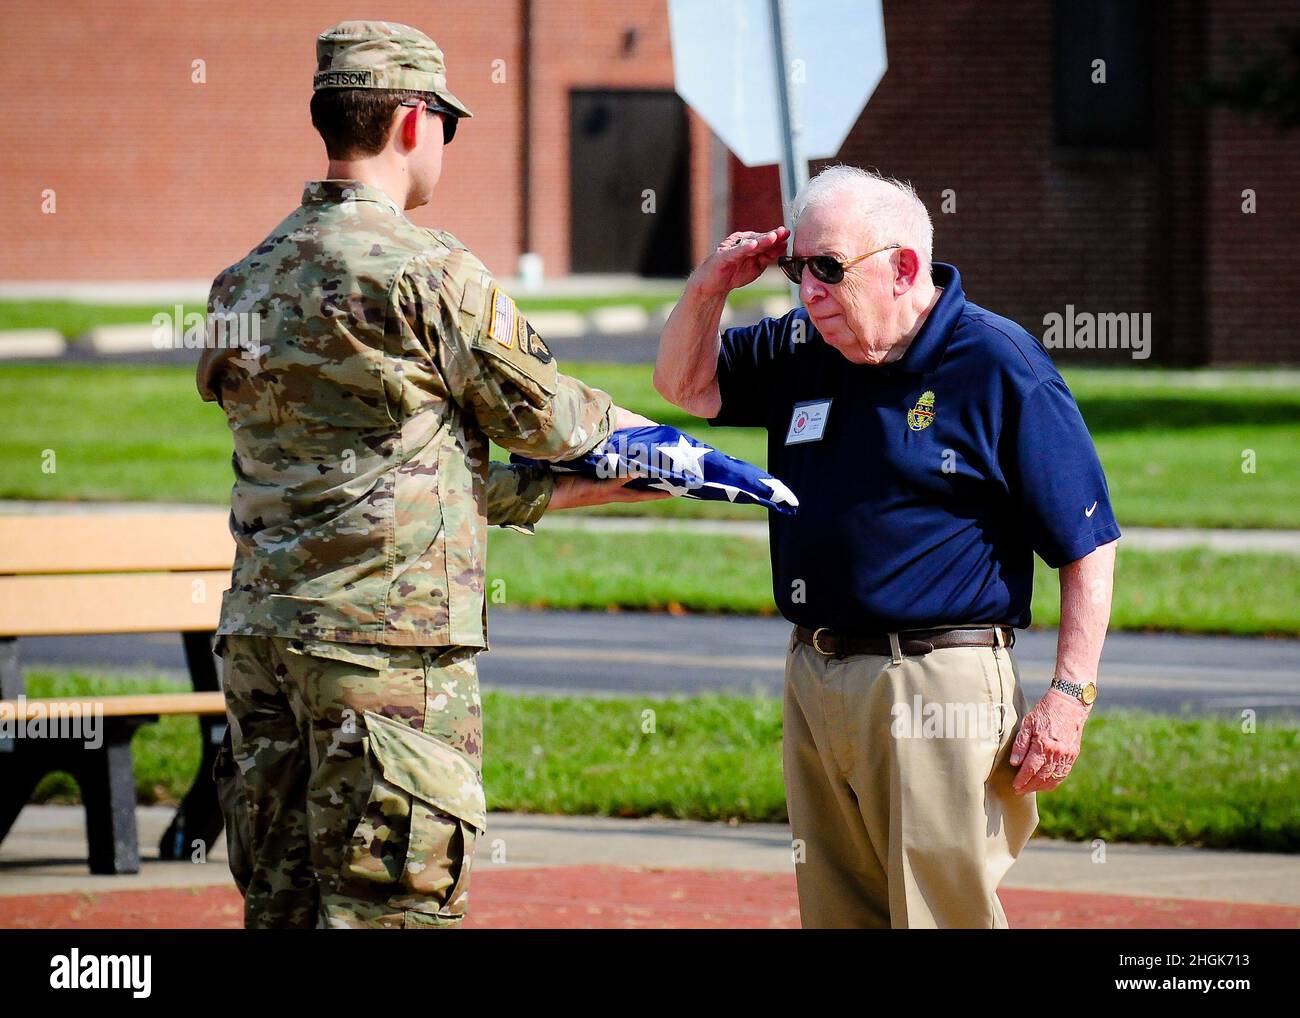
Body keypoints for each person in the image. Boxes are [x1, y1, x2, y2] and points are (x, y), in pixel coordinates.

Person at [197, 19, 661, 929]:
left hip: (264, 643)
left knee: (278, 907)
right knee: (391, 914)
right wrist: (660, 446)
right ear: (415, 121)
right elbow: (553, 420)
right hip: (387, 655)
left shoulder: (239, 283)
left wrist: (557, 493)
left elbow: (381, 463)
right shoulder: (432, 273)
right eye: (446, 119)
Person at [653, 166, 1120, 929]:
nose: (809, 292)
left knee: (941, 915)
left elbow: (1087, 542)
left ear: (903, 266)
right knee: (838, 913)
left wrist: (1070, 697)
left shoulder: (999, 363)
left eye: (829, 269)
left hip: (936, 678)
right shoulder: (803, 347)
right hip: (816, 670)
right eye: (797, 269)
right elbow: (683, 385)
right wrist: (711, 286)